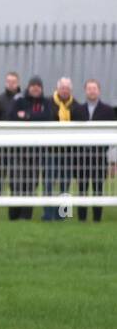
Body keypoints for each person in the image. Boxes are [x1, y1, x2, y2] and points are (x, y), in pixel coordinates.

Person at [12, 75, 56, 219]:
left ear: (41, 89)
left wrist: (27, 116)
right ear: (29, 87)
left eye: (38, 86)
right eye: (33, 86)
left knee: (32, 183)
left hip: (37, 150)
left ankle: (26, 216)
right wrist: (35, 115)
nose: (35, 88)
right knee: (17, 182)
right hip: (20, 150)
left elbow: (48, 117)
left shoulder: (46, 102)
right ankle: (14, 216)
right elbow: (11, 116)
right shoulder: (20, 101)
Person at [74, 79, 114, 221]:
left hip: (99, 156)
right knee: (82, 188)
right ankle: (82, 218)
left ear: (99, 90)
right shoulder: (78, 110)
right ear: (85, 91)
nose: (92, 91)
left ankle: (97, 218)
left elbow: (111, 134)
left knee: (98, 188)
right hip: (82, 157)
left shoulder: (108, 111)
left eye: (94, 88)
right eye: (89, 88)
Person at [43, 77, 77, 221]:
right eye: (62, 87)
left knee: (65, 184)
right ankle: (48, 214)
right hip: (51, 151)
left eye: (67, 88)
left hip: (68, 152)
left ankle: (63, 214)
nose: (65, 90)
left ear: (71, 90)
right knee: (49, 183)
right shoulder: (48, 103)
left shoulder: (76, 106)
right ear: (58, 88)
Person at [0, 72, 22, 217]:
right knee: (2, 170)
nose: (11, 84)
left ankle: (16, 196)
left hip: (20, 145)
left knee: (17, 174)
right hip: (3, 144)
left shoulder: (23, 100)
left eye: (13, 81)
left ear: (18, 82)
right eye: (9, 81)